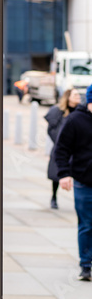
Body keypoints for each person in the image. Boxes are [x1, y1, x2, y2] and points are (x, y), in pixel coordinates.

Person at [54, 82, 92, 280]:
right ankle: (86, 265)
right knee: (87, 224)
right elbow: (61, 149)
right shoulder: (76, 120)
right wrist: (63, 174)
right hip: (84, 181)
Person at [45, 88, 81, 209]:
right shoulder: (58, 111)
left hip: (77, 149)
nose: (78, 97)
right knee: (57, 174)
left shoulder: (81, 112)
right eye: (75, 95)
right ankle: (54, 197)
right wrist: (61, 142)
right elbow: (51, 130)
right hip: (61, 148)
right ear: (68, 97)